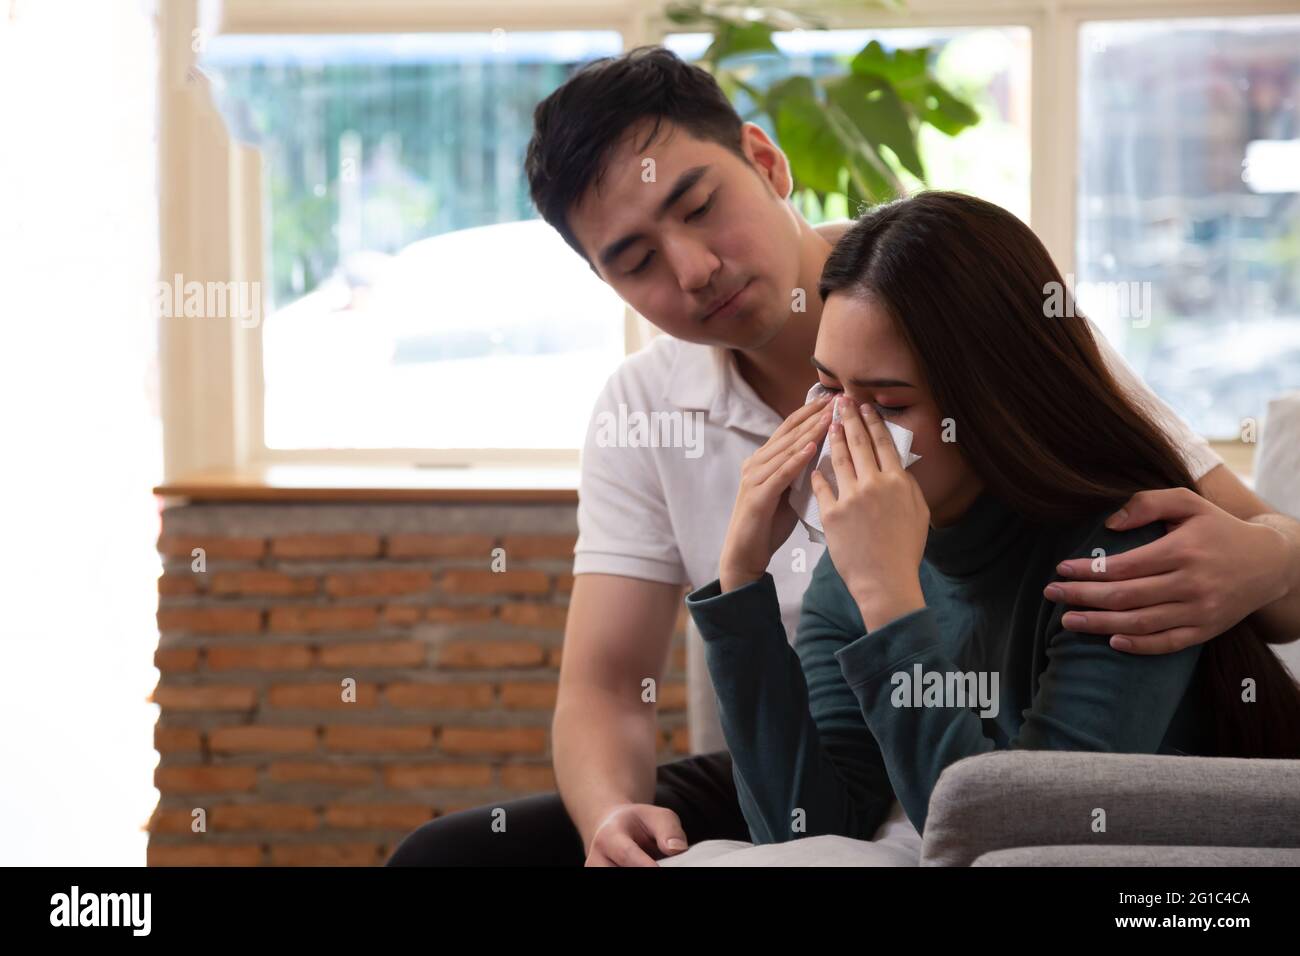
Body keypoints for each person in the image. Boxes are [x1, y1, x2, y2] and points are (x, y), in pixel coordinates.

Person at [386, 48, 1300, 868]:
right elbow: (619, 694)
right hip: (844, 747)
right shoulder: (655, 415)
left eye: (700, 206)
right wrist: (613, 812)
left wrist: (1269, 555)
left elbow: (1010, 827)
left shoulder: (970, 317)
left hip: (992, 777)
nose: (694, 269)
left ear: (766, 161)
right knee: (453, 856)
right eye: (635, 260)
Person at [668, 191, 1300, 863]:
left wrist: (889, 604)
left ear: (997, 403)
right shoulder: (851, 566)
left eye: (888, 404)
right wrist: (739, 585)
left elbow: (1017, 844)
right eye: (827, 388)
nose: (845, 431)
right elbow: (803, 831)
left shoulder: (1123, 548)